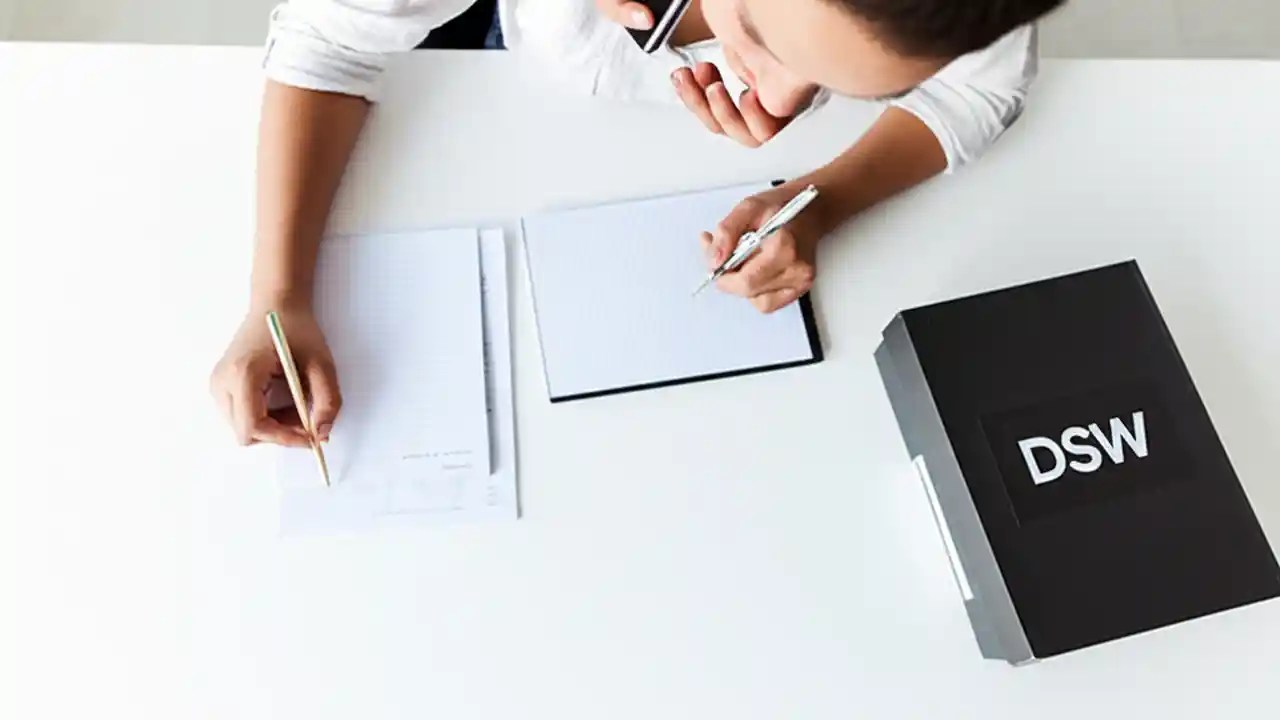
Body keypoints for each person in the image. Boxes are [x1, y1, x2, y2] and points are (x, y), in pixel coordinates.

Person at [210, 0, 1067, 447]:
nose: (770, 106)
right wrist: (276, 294)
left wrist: (819, 199)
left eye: (835, 85)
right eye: (765, 38)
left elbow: (982, 88)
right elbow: (329, 45)